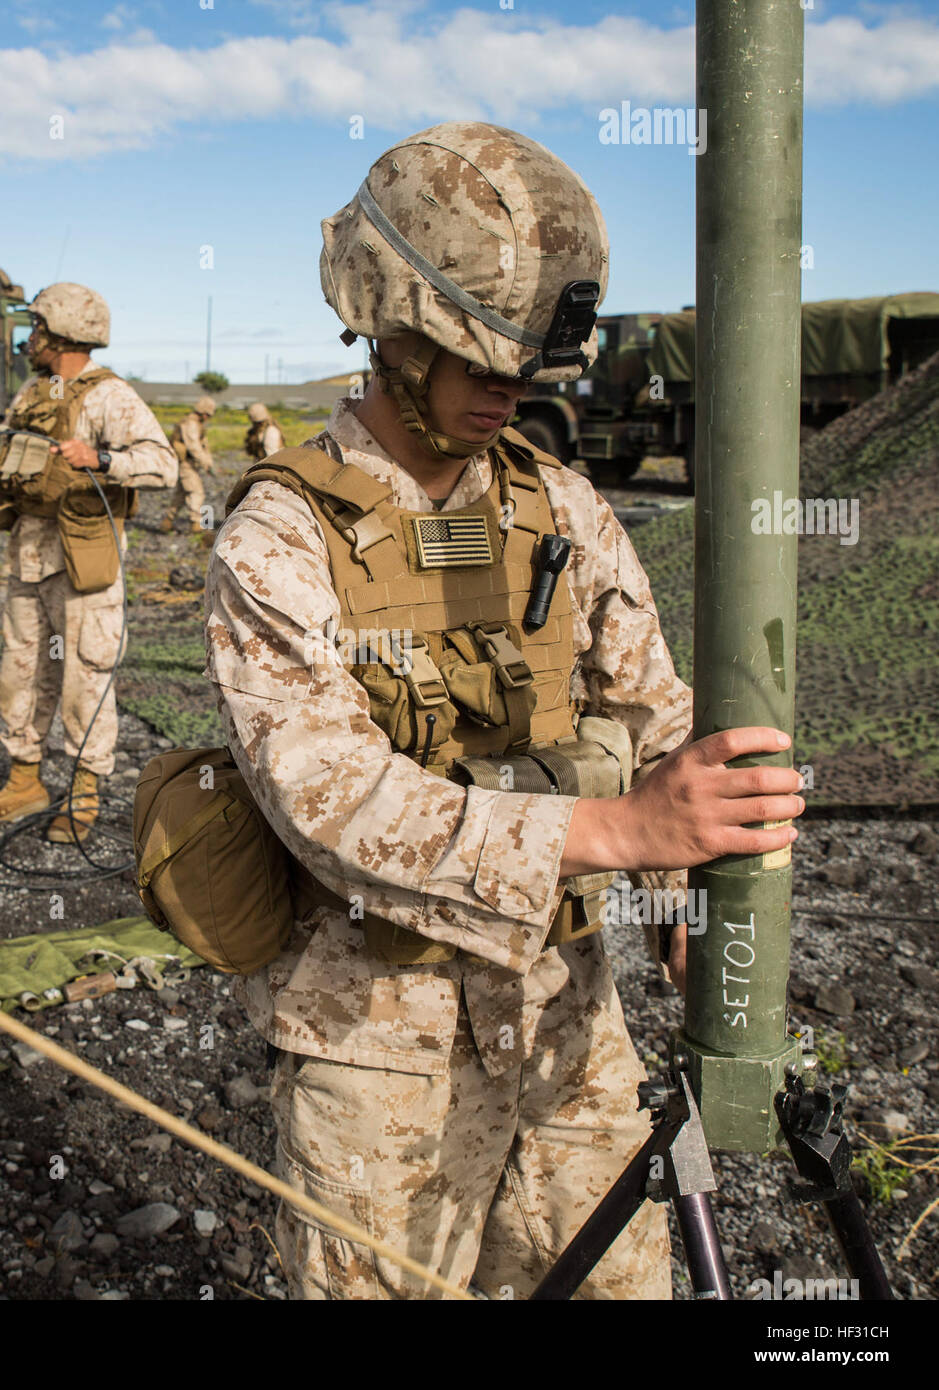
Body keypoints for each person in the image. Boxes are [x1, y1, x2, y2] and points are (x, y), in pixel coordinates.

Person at [203, 122, 805, 1300]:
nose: (509, 393)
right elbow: (326, 799)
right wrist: (623, 835)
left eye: (525, 369)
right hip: (375, 1047)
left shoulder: (561, 505)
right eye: (481, 363)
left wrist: (687, 885)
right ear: (387, 327)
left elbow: (650, 712)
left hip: (565, 1015)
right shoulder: (278, 534)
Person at [0, 282, 177, 842]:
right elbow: (5, 445)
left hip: (83, 564)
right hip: (26, 557)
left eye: (38, 329)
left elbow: (162, 465)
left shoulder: (109, 397)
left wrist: (100, 458)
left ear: (64, 335)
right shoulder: (32, 392)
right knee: (19, 675)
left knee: (85, 679)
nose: (30, 338)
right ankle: (25, 782)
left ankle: (84, 794)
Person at [162, 394, 217, 535]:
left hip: (188, 463)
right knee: (196, 492)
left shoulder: (195, 423)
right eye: (207, 415)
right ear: (203, 412)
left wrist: (207, 462)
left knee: (180, 494)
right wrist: (206, 464)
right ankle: (195, 523)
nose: (208, 418)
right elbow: (194, 447)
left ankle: (167, 522)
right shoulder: (191, 424)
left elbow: (203, 445)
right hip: (186, 464)